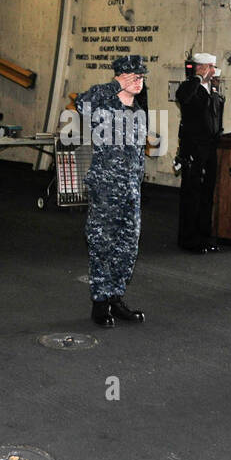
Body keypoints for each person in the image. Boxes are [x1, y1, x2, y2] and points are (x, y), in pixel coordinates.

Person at [78, 54, 149, 327]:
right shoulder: (102, 105)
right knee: (102, 243)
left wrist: (138, 182)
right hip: (106, 189)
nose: (138, 80)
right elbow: (80, 103)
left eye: (141, 76)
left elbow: (139, 154)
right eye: (132, 76)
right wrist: (113, 85)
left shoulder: (139, 112)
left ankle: (116, 297)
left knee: (128, 246)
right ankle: (100, 302)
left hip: (131, 191)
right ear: (120, 76)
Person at [175, 52, 224, 253]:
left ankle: (204, 236)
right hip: (194, 149)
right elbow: (182, 97)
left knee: (207, 194)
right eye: (210, 67)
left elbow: (215, 117)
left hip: (210, 149)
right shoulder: (190, 87)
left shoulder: (211, 90)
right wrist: (196, 77)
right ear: (201, 67)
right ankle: (188, 239)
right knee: (192, 195)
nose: (213, 71)